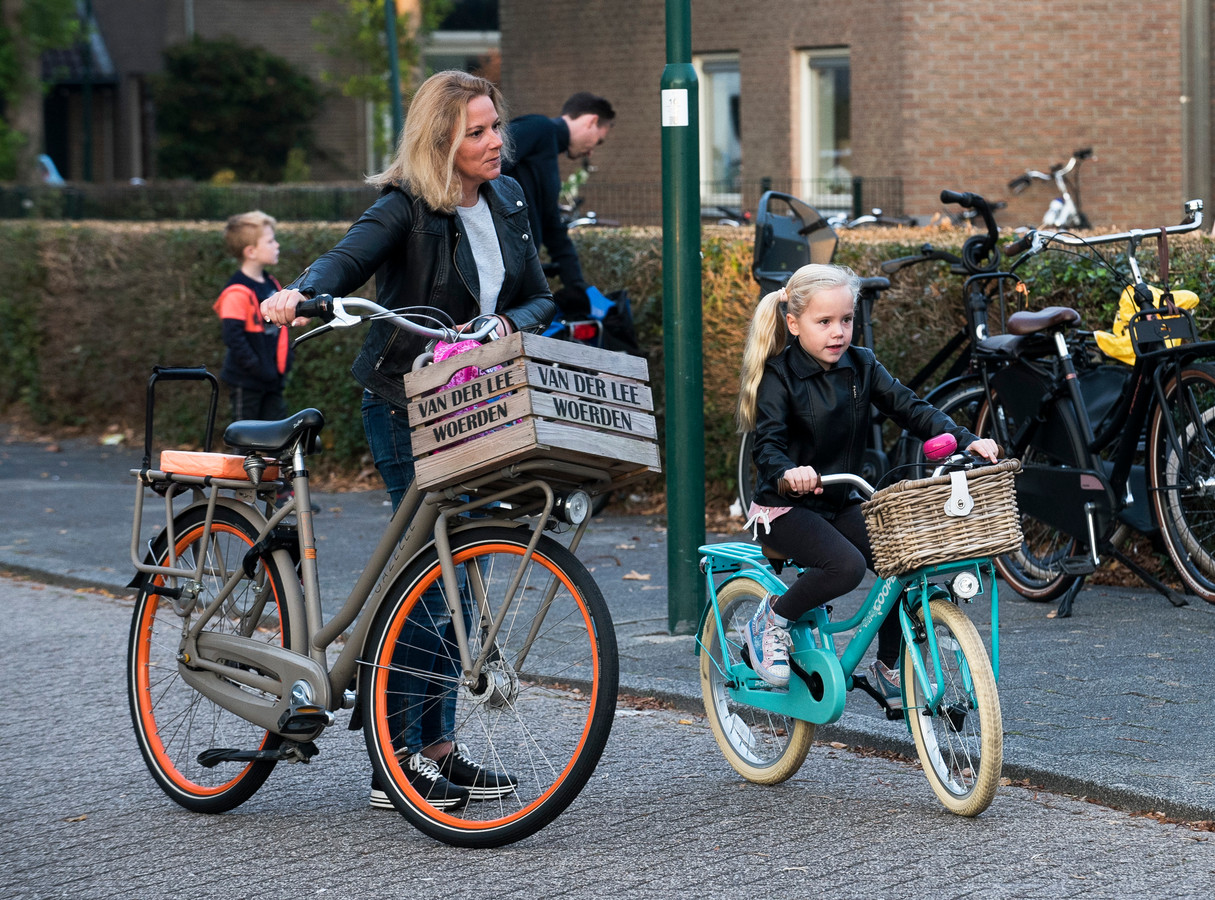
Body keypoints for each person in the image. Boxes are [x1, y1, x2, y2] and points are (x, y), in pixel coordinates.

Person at [261, 70, 556, 810]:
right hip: (403, 402)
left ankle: (438, 749)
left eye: (497, 127)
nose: (497, 143)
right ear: (441, 140)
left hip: (476, 403)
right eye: (478, 132)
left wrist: (506, 323)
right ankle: (390, 761)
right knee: (438, 581)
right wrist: (303, 290)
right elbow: (346, 258)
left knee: (464, 576)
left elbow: (542, 293)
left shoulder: (509, 199)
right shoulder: (407, 207)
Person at [736, 263, 999, 703]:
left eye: (846, 320)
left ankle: (889, 665)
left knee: (904, 556)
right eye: (824, 322)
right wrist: (788, 474)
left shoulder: (862, 365)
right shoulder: (779, 376)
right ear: (794, 323)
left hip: (841, 500)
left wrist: (968, 441)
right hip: (785, 508)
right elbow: (769, 446)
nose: (838, 332)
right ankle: (771, 621)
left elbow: (913, 410)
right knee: (847, 566)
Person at [501, 91, 615, 314]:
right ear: (591, 121)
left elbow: (553, 227)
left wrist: (576, 284)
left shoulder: (548, 151)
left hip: (516, 275)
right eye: (598, 141)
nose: (591, 151)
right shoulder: (539, 128)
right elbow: (486, 167)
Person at [214, 210, 288, 423]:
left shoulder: (271, 283)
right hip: (246, 382)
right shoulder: (237, 291)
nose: (277, 245)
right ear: (251, 251)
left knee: (277, 439)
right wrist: (258, 367)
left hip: (272, 379)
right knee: (245, 440)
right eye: (271, 241)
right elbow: (233, 338)